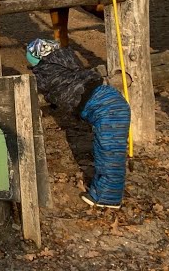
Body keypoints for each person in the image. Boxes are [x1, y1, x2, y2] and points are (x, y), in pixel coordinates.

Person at [26, 38, 131, 210]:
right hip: (110, 98)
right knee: (111, 150)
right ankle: (108, 192)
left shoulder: (45, 72)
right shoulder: (68, 61)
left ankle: (107, 197)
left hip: (105, 108)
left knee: (108, 151)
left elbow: (49, 88)